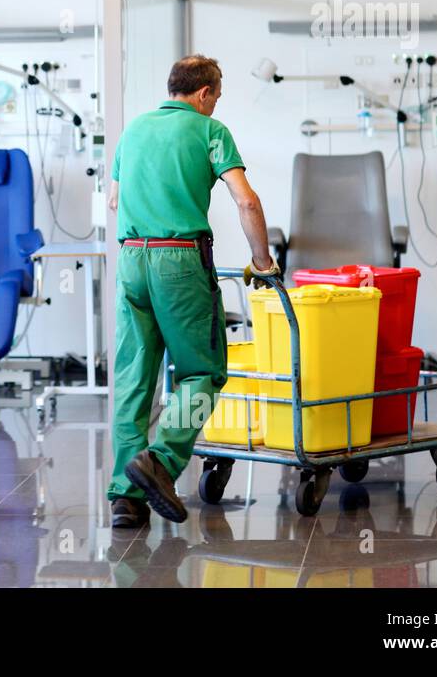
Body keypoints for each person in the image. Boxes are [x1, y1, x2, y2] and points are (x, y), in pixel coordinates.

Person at [105, 55, 279, 527]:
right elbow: (246, 200)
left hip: (131, 259)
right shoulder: (210, 131)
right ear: (204, 93)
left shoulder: (133, 131)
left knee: (134, 377)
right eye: (216, 97)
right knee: (202, 371)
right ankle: (160, 462)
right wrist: (263, 262)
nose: (215, 105)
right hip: (179, 262)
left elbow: (115, 199)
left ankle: (125, 498)